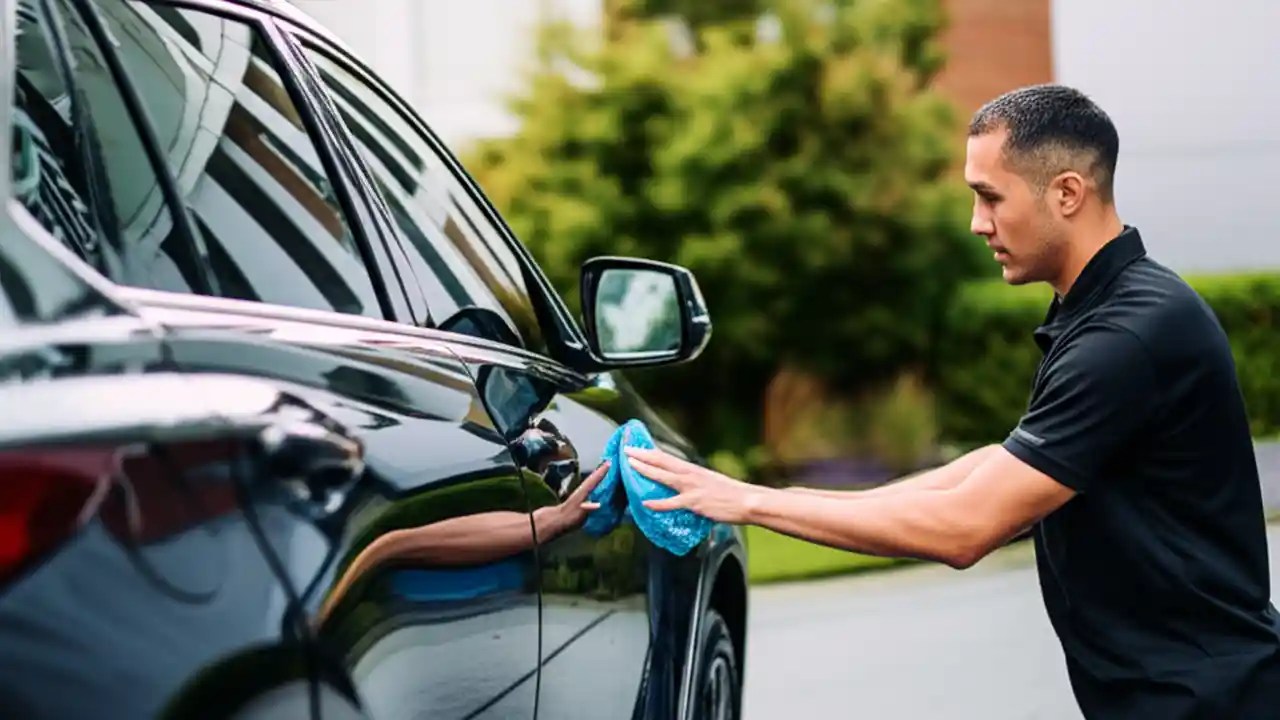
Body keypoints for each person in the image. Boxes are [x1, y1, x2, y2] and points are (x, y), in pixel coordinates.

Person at [618, 84, 1280, 719]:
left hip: (1208, 702)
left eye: (989, 197)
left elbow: (965, 529)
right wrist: (759, 493)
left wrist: (750, 503)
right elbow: (991, 468)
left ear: (1068, 193)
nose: (975, 223)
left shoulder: (1127, 336)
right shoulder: (1106, 312)